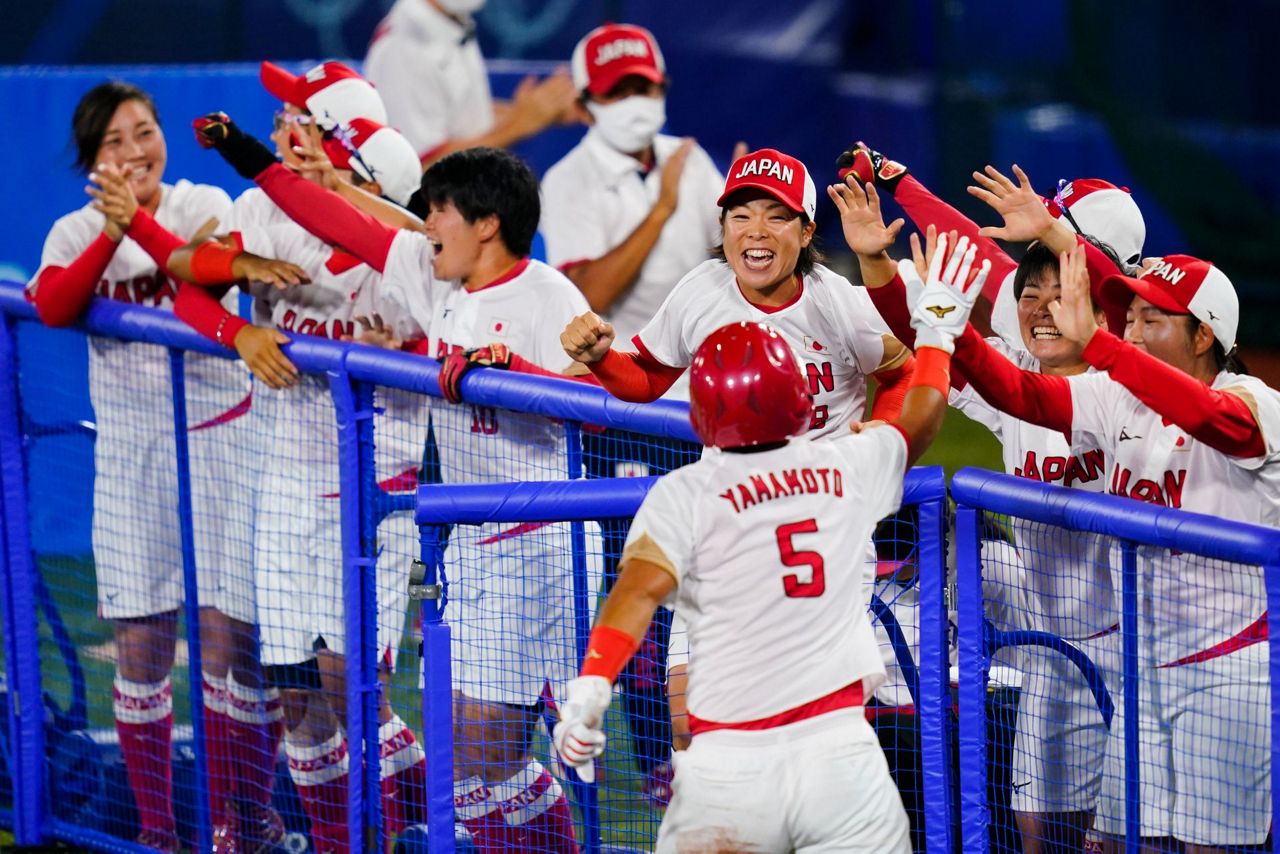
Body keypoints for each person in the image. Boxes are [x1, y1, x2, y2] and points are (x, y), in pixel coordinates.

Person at [195, 113, 597, 852]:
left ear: (487, 224)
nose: (424, 224)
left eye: (438, 210)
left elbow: (601, 414)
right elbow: (331, 218)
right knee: (472, 764)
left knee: (509, 751)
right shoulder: (434, 279)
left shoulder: (547, 295)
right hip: (473, 545)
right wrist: (252, 156)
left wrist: (515, 377)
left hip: (543, 542)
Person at [552, 230, 989, 850]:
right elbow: (920, 415)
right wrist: (939, 327)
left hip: (729, 769)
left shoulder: (684, 495)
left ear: (702, 409)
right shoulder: (847, 468)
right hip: (842, 761)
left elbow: (636, 592)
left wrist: (593, 686)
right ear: (798, 400)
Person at [102, 114, 428, 851]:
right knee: (298, 696)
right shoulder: (261, 213)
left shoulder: (408, 248)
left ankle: (428, 827)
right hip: (282, 483)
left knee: (355, 694)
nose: (289, 138)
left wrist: (410, 348)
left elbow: (454, 337)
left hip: (373, 493)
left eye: (309, 126)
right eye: (287, 126)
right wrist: (239, 331)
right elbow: (189, 283)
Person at [945, 244, 1278, 853]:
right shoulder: (1120, 397)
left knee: (1210, 850)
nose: (1134, 332)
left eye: (1153, 320)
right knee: (1130, 844)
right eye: (1129, 318)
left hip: (1230, 671)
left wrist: (1105, 349)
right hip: (1143, 668)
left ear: (1204, 336)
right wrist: (947, 330)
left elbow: (1214, 419)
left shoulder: (1259, 402)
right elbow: (1022, 395)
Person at [25, 81, 282, 853]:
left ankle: (243, 819)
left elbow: (203, 275)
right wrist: (111, 230)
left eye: (145, 132)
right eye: (115, 142)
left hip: (221, 439)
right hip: (133, 454)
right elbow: (54, 305)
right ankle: (162, 832)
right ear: (89, 159)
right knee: (141, 647)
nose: (136, 151)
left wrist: (134, 218)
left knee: (231, 643)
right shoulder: (73, 232)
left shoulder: (204, 199)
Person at [832, 170, 1122, 853]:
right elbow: (934, 341)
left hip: (1138, 650)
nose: (1040, 306)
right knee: (1036, 836)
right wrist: (879, 260)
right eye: (1033, 292)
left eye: (1062, 287)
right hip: (1052, 652)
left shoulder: (1129, 386)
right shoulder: (1022, 369)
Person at [538, 20, 725, 803]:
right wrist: (661, 211)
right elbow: (593, 294)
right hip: (630, 407)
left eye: (643, 86)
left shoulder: (694, 157)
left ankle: (712, 733)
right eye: (618, 92)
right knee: (641, 581)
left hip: (713, 411)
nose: (635, 103)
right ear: (585, 102)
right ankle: (655, 758)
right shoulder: (567, 182)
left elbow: (731, 260)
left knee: (716, 582)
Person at [560, 147, 917, 433]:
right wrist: (602, 359)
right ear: (723, 226)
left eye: (776, 217)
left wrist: (883, 433)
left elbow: (903, 372)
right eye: (741, 216)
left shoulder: (837, 302)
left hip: (827, 499)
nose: (756, 231)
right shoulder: (701, 290)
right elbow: (649, 377)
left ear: (806, 232)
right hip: (735, 499)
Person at [837, 141, 1145, 349]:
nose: (1038, 238)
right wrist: (892, 175)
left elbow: (1112, 293)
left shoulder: (1142, 331)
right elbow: (980, 251)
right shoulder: (1032, 310)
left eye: (1051, 228)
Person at [364, 0, 578, 167]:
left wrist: (538, 112)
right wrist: (519, 123)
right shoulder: (404, 49)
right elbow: (422, 169)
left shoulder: (450, 22)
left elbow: (457, 118)